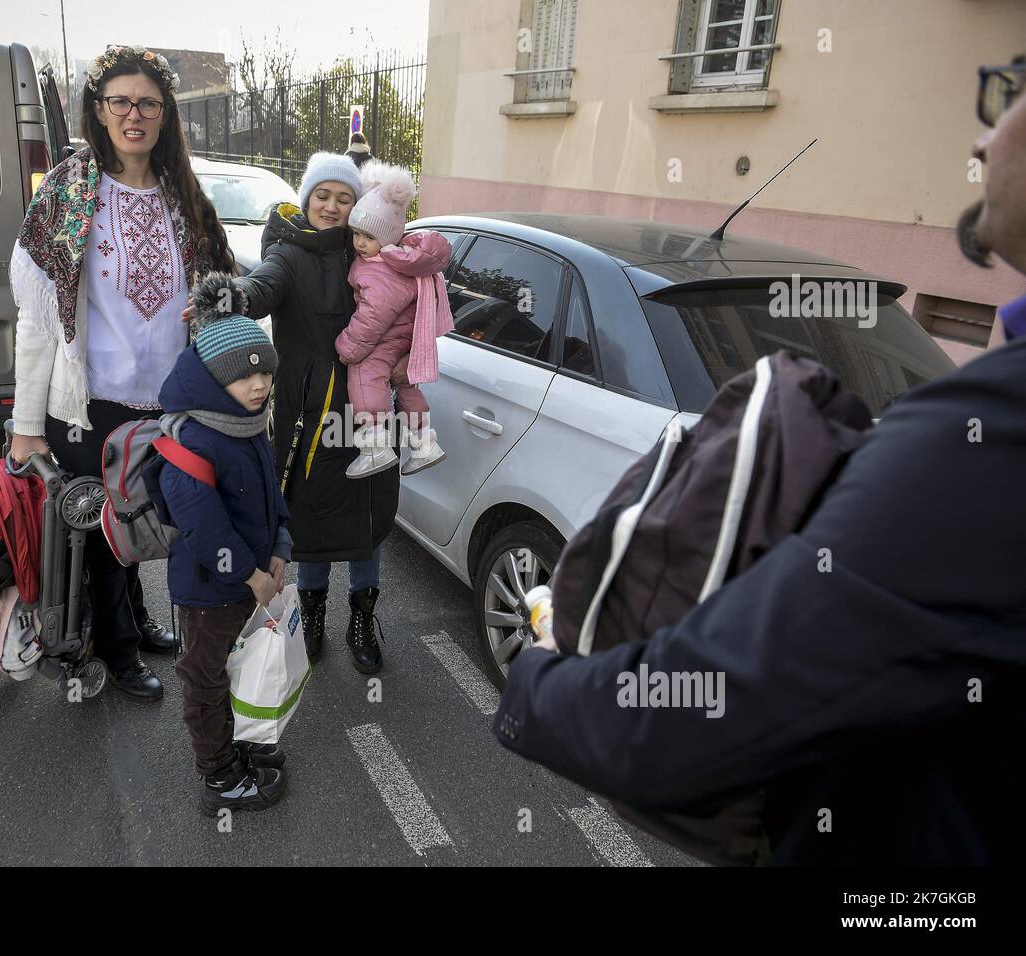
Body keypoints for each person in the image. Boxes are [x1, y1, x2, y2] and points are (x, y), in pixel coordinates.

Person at [493, 54, 1026, 864]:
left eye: (1013, 92)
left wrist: (536, 682)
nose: (983, 142)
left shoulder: (995, 431)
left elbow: (701, 710)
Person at [7, 44, 233, 701]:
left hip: (166, 399)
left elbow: (223, 290)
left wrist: (215, 305)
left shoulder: (185, 196)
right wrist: (26, 428)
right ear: (99, 111)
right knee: (105, 530)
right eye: (120, 101)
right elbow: (36, 319)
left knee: (143, 516)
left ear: (165, 116)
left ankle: (135, 618)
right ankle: (119, 648)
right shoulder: (68, 193)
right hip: (90, 399)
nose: (134, 114)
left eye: (149, 103)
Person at [221, 152, 399, 674]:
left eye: (344, 198)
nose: (331, 206)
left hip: (367, 413)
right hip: (308, 416)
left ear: (356, 205)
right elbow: (260, 288)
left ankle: (363, 615)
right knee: (311, 515)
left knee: (368, 514)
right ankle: (314, 612)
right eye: (322, 195)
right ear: (307, 200)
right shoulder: (290, 253)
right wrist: (228, 297)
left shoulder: (371, 253)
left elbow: (412, 300)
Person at [148, 274, 291, 815]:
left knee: (246, 663)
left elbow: (272, 492)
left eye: (265, 373)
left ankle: (246, 744)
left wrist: (279, 545)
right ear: (211, 376)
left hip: (253, 580)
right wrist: (253, 577)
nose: (258, 386)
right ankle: (219, 775)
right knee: (204, 676)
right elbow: (203, 528)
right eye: (242, 376)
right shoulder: (190, 436)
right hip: (210, 589)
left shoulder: (248, 422)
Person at [336, 160, 452, 478]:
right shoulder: (399, 259)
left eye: (368, 236)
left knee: (364, 375)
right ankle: (425, 444)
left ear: (386, 237)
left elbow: (374, 314)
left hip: (385, 339)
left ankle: (375, 448)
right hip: (404, 339)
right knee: (405, 384)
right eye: (356, 233)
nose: (359, 243)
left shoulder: (379, 268)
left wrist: (349, 346)